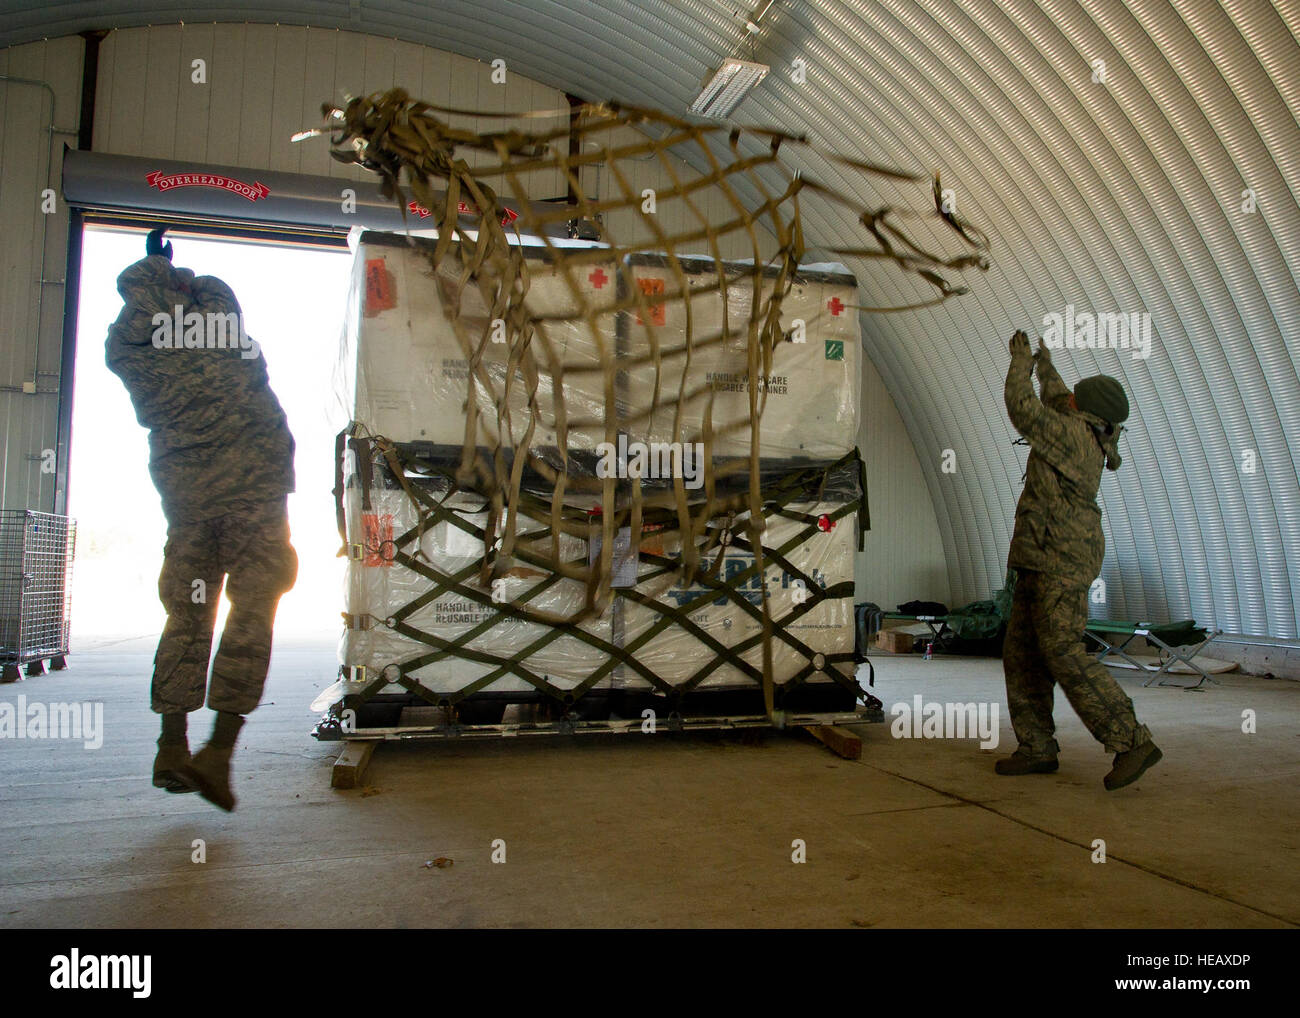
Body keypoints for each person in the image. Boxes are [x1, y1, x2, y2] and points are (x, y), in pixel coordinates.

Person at [106, 228, 298, 811]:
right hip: (253, 490)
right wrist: (181, 274)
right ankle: (218, 749)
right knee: (253, 605)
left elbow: (157, 305)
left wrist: (155, 271)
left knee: (187, 614)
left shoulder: (124, 348)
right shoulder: (217, 319)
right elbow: (216, 293)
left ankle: (171, 746)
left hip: (189, 501)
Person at [998, 329, 1160, 790]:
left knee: (1062, 651)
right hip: (1041, 553)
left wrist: (1020, 363)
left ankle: (1132, 740)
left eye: (1072, 398)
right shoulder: (1082, 425)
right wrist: (1046, 366)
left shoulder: (1069, 433)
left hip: (1059, 559)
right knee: (1023, 653)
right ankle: (1036, 747)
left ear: (1082, 410)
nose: (1066, 400)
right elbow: (1056, 397)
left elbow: (1023, 408)